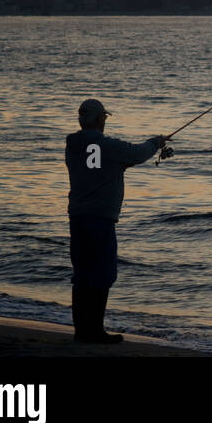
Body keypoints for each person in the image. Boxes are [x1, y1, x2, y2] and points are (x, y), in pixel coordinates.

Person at [64, 99, 168, 344]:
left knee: (82, 275)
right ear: (100, 120)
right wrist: (156, 141)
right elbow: (137, 153)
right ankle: (95, 331)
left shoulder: (73, 146)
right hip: (100, 219)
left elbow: (103, 164)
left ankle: (82, 331)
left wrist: (123, 163)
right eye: (104, 118)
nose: (105, 122)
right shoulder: (107, 146)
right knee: (102, 275)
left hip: (78, 218)